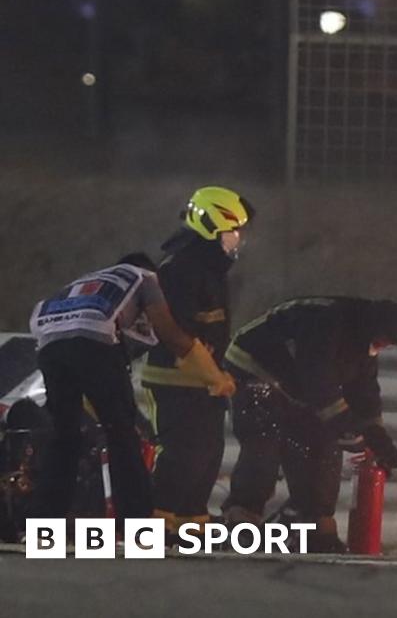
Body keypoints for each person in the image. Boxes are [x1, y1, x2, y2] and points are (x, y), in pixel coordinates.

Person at [28, 254, 234, 523]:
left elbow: (111, 343)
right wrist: (215, 377)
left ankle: (44, 522)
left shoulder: (91, 281)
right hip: (93, 341)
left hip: (49, 346)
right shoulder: (144, 278)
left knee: (65, 437)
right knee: (122, 435)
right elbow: (171, 334)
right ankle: (137, 523)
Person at [221, 297, 397, 552]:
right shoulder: (326, 324)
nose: (380, 348)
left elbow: (366, 393)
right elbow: (318, 382)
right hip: (253, 367)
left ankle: (314, 520)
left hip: (294, 382)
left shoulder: (363, 343)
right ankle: (242, 518)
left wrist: (377, 437)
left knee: (323, 444)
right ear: (370, 329)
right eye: (380, 342)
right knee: (264, 439)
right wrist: (346, 426)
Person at [140, 186, 254, 535]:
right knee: (181, 456)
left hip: (204, 382)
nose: (237, 239)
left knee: (206, 459)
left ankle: (191, 527)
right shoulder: (180, 268)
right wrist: (213, 374)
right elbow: (177, 335)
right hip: (175, 381)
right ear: (212, 226)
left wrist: (216, 375)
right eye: (233, 231)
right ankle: (155, 528)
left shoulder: (208, 268)